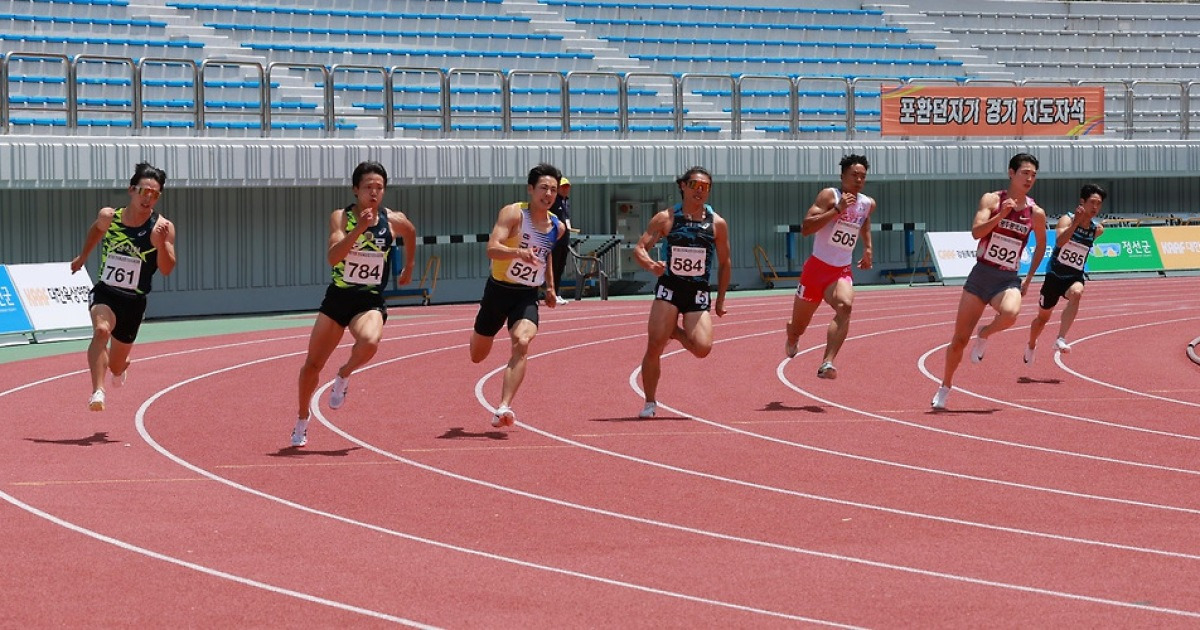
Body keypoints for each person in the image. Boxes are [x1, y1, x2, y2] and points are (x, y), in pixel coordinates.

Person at [292, 161, 416, 447]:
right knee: (312, 365)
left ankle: (344, 374)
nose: (374, 193)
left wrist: (408, 266)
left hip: (369, 299)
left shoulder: (392, 219)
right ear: (355, 190)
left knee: (371, 342)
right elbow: (333, 257)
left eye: (379, 188)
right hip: (338, 297)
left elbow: (410, 232)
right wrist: (360, 228)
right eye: (368, 187)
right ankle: (301, 420)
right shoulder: (341, 217)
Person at [931, 153, 1047, 409]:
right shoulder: (992, 200)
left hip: (1007, 279)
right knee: (959, 340)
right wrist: (1000, 216)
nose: (1029, 178)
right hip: (981, 274)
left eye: (1033, 175)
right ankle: (945, 386)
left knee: (1011, 314)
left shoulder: (1035, 212)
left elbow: (1041, 246)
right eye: (1025, 173)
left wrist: (1028, 278)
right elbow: (976, 233)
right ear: (1011, 173)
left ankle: (985, 332)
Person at [70, 162, 177, 412]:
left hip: (134, 301)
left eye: (154, 194)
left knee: (116, 366)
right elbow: (96, 231)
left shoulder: (162, 227)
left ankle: (120, 367)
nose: (148, 197)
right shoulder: (110, 216)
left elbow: (167, 268)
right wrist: (83, 257)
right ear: (131, 190)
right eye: (144, 191)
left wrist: (162, 245)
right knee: (101, 331)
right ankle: (98, 391)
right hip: (106, 291)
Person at [469, 163, 566, 428]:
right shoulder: (514, 214)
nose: (548, 194)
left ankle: (503, 407)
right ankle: (480, 328)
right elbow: (492, 249)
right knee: (477, 355)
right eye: (544, 188)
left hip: (526, 295)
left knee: (522, 342)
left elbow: (545, 258)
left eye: (553, 190)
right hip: (498, 291)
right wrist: (518, 253)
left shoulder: (556, 227)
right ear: (531, 189)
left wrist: (550, 287)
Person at [633, 166, 731, 419]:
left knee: (702, 348)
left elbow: (725, 262)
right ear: (683, 186)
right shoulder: (666, 218)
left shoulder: (717, 223)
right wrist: (650, 265)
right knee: (654, 345)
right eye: (695, 186)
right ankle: (650, 402)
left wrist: (720, 299)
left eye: (705, 187)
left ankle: (673, 332)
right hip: (669, 287)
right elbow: (640, 248)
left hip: (698, 292)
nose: (700, 191)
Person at [783, 154, 877, 379]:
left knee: (845, 306)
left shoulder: (867, 203)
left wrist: (868, 248)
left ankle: (827, 362)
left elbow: (863, 221)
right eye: (854, 175)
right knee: (798, 326)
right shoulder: (829, 195)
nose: (858, 180)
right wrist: (837, 210)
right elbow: (806, 228)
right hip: (815, 270)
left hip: (841, 271)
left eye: (863, 176)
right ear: (842, 176)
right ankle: (793, 336)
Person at [1025, 183, 1107, 363]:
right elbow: (1061, 242)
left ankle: (1061, 338)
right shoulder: (1066, 219)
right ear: (1082, 202)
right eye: (1092, 202)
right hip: (1054, 276)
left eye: (1098, 204)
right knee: (1042, 319)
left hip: (1074, 277)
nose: (1095, 207)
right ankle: (1031, 343)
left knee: (1077, 292)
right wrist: (1076, 223)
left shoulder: (1097, 230)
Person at [548, 176, 574, 305]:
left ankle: (556, 293)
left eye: (567, 186)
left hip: (565, 239)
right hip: (555, 239)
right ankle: (550, 292)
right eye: (563, 187)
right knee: (552, 266)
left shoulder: (566, 202)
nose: (566, 189)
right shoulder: (554, 201)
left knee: (560, 267)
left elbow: (566, 218)